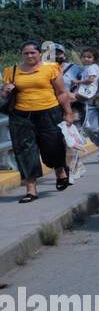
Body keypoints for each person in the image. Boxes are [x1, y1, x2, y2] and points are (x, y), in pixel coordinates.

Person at [1, 40, 75, 202]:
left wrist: (68, 113)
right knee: (24, 151)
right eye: (26, 53)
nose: (29, 56)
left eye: (32, 53)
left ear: (39, 54)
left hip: (49, 113)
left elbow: (62, 93)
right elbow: (4, 95)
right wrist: (5, 91)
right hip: (21, 116)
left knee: (53, 147)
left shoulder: (51, 68)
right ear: (21, 54)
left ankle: (60, 170)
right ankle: (31, 189)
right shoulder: (11, 71)